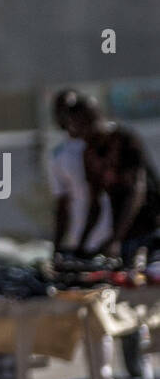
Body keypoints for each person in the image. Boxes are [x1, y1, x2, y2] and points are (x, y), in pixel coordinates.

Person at [66, 93, 160, 379]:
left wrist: (116, 237)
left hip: (153, 229)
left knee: (153, 295)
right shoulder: (88, 154)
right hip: (128, 236)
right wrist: (79, 248)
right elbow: (96, 203)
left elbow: (137, 189)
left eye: (81, 121)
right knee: (126, 304)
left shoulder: (125, 139)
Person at [50, 89, 112, 257]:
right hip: (84, 240)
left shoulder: (112, 141)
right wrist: (55, 247)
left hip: (117, 235)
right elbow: (62, 204)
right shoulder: (60, 155)